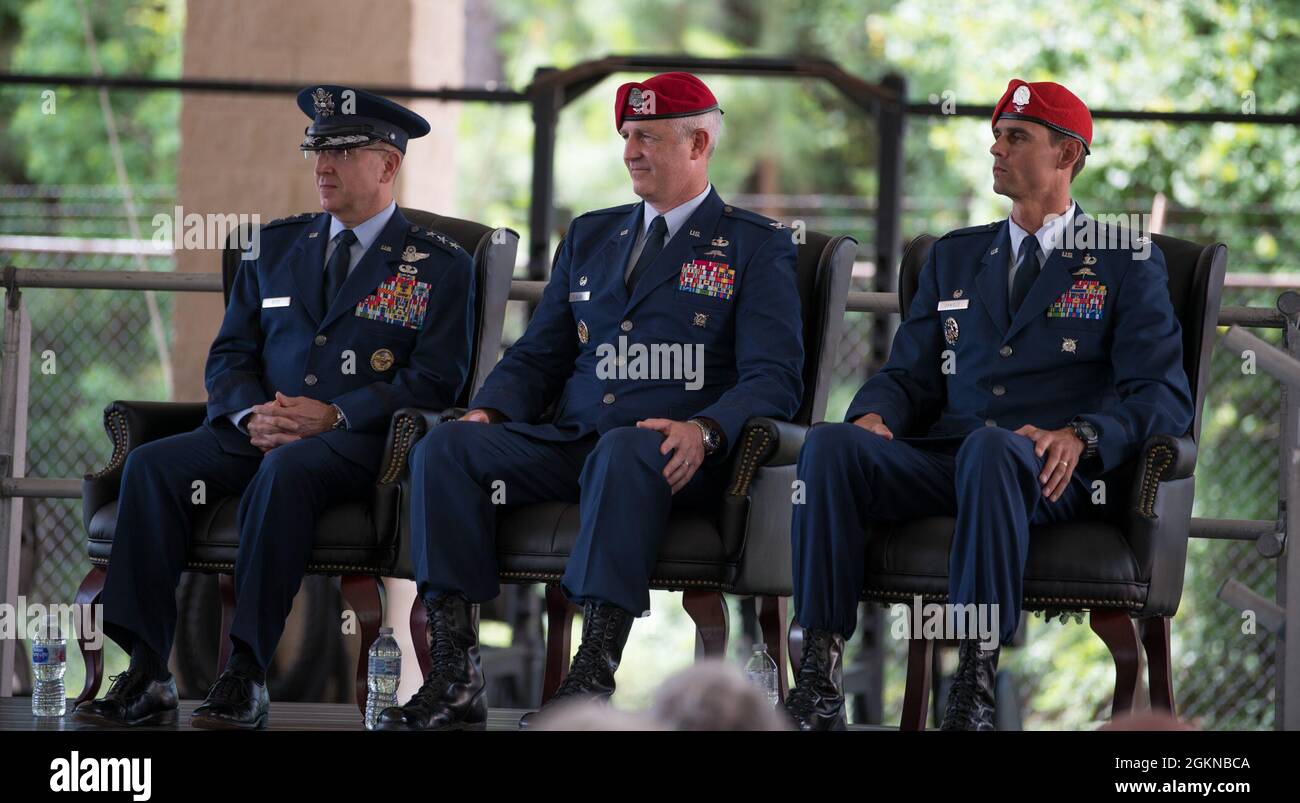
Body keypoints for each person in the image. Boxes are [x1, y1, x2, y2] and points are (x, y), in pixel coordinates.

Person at [377, 72, 804, 731]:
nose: (631, 150)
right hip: (575, 440)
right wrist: (488, 410)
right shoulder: (591, 234)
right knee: (448, 445)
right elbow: (540, 353)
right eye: (627, 136)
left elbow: (773, 377)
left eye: (648, 137)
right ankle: (455, 674)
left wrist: (706, 428)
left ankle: (590, 678)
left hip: (672, 453)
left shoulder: (756, 244)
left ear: (698, 143)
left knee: (626, 449)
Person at [784, 79, 1193, 731]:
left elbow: (1165, 397)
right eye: (997, 135)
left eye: (1016, 137)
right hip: (949, 457)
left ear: (1067, 156)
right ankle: (817, 679)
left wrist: (1084, 434)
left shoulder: (1124, 259)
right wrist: (875, 414)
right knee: (832, 444)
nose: (996, 148)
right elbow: (909, 375)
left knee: (994, 448)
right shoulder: (956, 255)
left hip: (1049, 471)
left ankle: (973, 683)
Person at [77, 85, 476, 730]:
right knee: (151, 466)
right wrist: (248, 415)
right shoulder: (273, 247)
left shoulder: (439, 265)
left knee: (287, 473)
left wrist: (334, 414)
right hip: (256, 429)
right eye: (316, 149)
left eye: (343, 152)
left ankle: (245, 672)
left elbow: (438, 381)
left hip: (357, 445)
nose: (322, 165)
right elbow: (229, 355)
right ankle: (148, 672)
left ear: (388, 164)